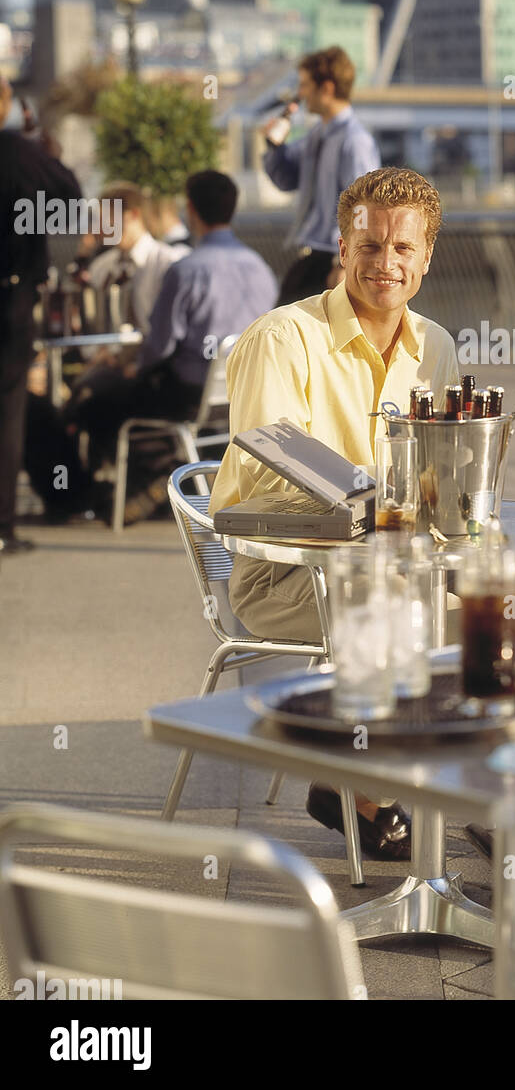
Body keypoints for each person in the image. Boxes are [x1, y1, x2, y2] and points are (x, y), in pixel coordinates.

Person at [210, 168, 457, 860]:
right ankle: (371, 790)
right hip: (284, 575)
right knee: (427, 614)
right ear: (341, 250)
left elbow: (439, 474)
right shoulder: (281, 338)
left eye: (403, 250)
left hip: (395, 563)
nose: (386, 263)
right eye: (369, 245)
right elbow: (272, 467)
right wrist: (385, 509)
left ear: (426, 258)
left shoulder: (434, 347)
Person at [72, 169, 278, 522]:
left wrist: (130, 366)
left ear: (192, 211)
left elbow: (160, 346)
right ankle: (152, 482)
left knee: (96, 402)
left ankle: (132, 488)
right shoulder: (261, 268)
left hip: (186, 394)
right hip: (240, 392)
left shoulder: (187, 269)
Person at [0, 74, 81, 553]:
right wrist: (41, 149)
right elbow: (70, 200)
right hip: (10, 300)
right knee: (9, 410)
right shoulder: (20, 154)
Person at [263, 45, 380, 305]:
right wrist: (275, 148)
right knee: (282, 328)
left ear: (326, 88)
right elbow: (286, 179)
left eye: (305, 85)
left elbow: (364, 208)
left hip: (331, 261)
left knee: (290, 332)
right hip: (311, 253)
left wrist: (346, 265)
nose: (300, 94)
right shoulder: (317, 135)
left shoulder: (354, 141)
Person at [86, 182, 183, 334]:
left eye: (107, 218)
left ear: (134, 215)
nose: (100, 226)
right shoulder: (100, 267)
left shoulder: (168, 263)